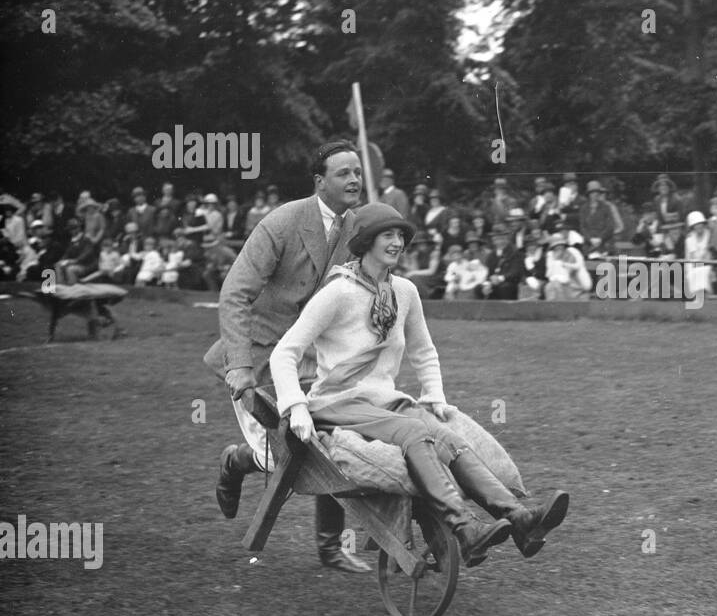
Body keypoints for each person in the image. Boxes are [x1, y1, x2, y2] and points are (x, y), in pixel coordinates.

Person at [270, 202, 569, 566]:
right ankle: (464, 528)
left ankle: (519, 518)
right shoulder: (338, 292)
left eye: (401, 236)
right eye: (388, 235)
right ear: (365, 241)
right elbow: (284, 351)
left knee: (450, 440)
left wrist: (434, 395)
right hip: (338, 402)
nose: (397, 243)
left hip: (385, 400)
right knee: (414, 434)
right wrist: (295, 404)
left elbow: (424, 350)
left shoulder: (406, 292)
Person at [204, 141, 371, 573]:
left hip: (312, 362)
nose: (354, 179)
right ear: (320, 182)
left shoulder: (357, 229)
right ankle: (236, 460)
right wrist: (239, 364)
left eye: (357, 172)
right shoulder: (281, 222)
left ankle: (330, 549)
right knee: (281, 458)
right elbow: (235, 293)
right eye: (343, 173)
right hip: (257, 359)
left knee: (329, 442)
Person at [578, 180, 623, 256]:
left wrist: (600, 238)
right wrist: (590, 239)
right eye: (592, 192)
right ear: (589, 194)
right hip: (589, 243)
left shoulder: (606, 207)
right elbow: (582, 227)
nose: (595, 194)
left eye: (597, 192)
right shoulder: (584, 208)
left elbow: (610, 226)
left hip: (604, 242)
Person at [544, 232, 591, 299]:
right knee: (549, 287)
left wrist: (562, 264)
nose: (559, 249)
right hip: (558, 283)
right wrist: (555, 261)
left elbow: (567, 276)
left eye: (561, 246)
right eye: (556, 247)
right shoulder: (550, 256)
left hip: (575, 285)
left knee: (557, 286)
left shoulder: (571, 254)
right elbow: (549, 274)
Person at [682, 210, 713, 300]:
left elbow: (710, 254)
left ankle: (704, 298)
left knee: (703, 271)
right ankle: (698, 299)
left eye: (700, 224)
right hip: (693, 266)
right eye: (696, 224)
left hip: (708, 264)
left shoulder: (710, 234)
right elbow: (688, 257)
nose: (699, 226)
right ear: (692, 226)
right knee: (693, 273)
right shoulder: (689, 238)